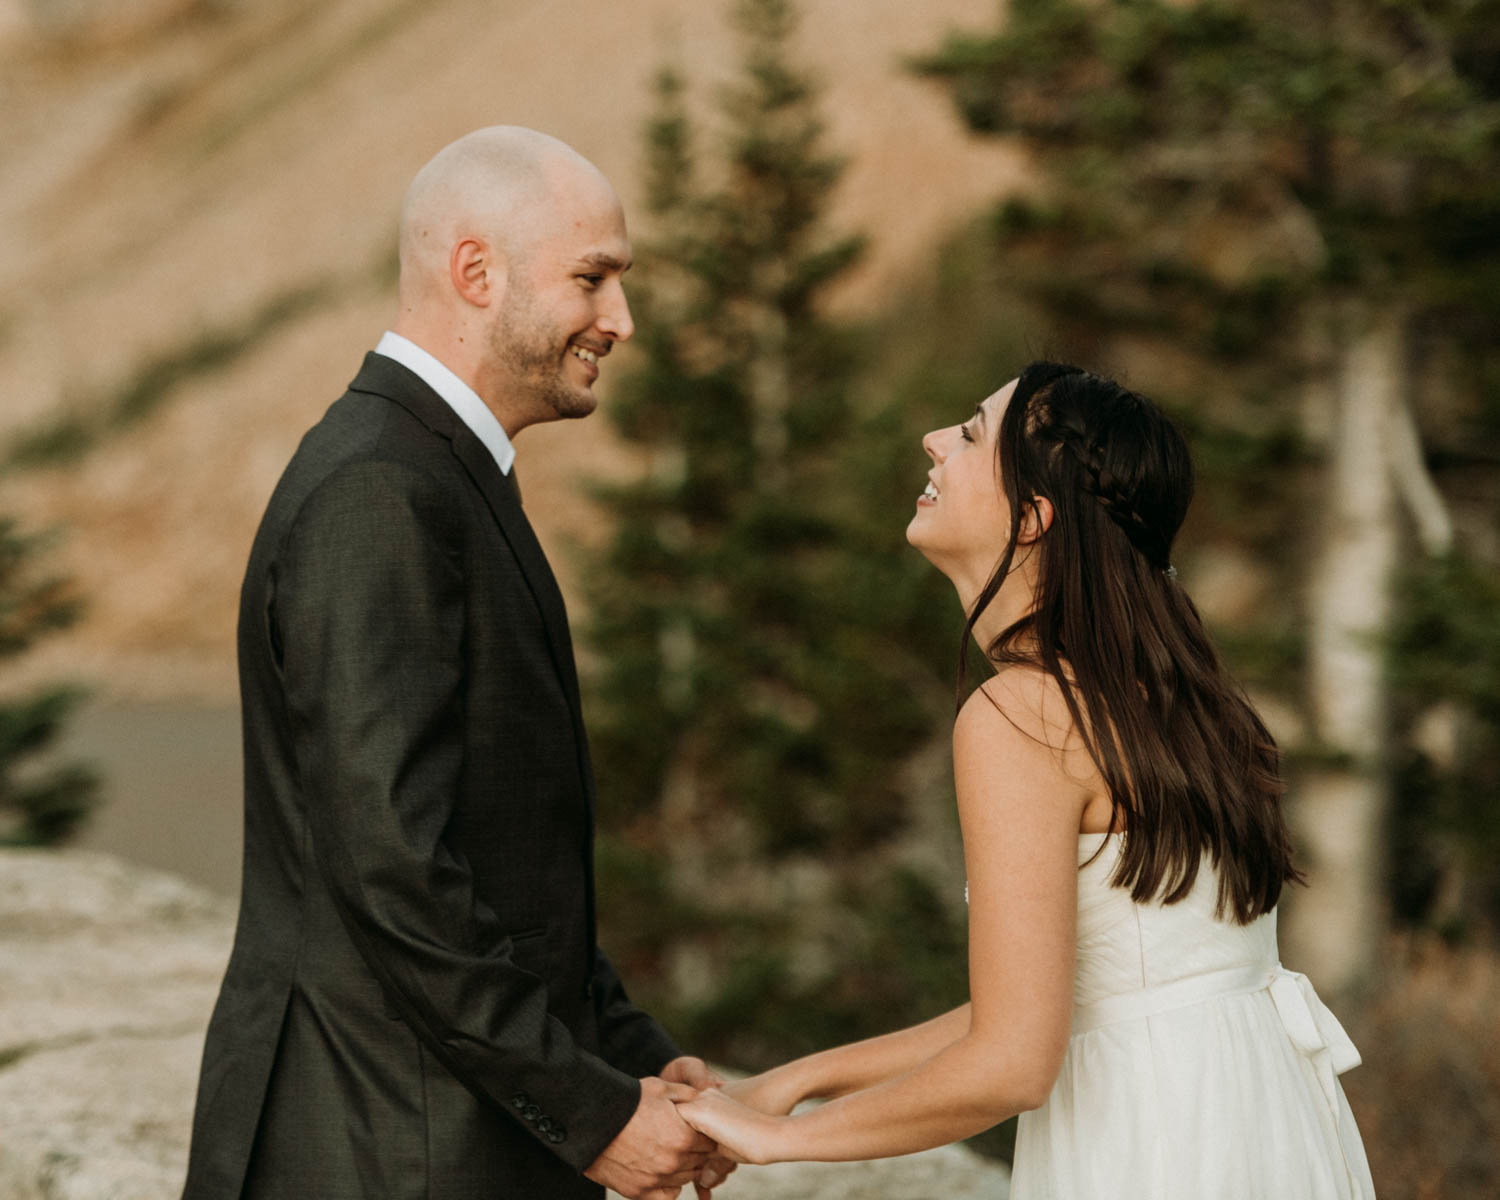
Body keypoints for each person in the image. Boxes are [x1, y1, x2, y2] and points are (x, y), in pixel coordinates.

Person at [181, 126, 733, 1200]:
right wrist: (588, 1115)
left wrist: (627, 1056)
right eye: (594, 279)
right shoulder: (379, 496)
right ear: (475, 271)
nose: (620, 320)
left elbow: (498, 854)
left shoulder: (440, 472)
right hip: (383, 1147)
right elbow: (394, 867)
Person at [678, 362, 1377, 1199]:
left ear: (1035, 518)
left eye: (971, 434)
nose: (933, 441)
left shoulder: (1023, 715)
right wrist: (796, 1082)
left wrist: (773, 1141)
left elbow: (1011, 1064)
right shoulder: (1188, 705)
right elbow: (1065, 996)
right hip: (1263, 1122)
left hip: (1152, 1143)